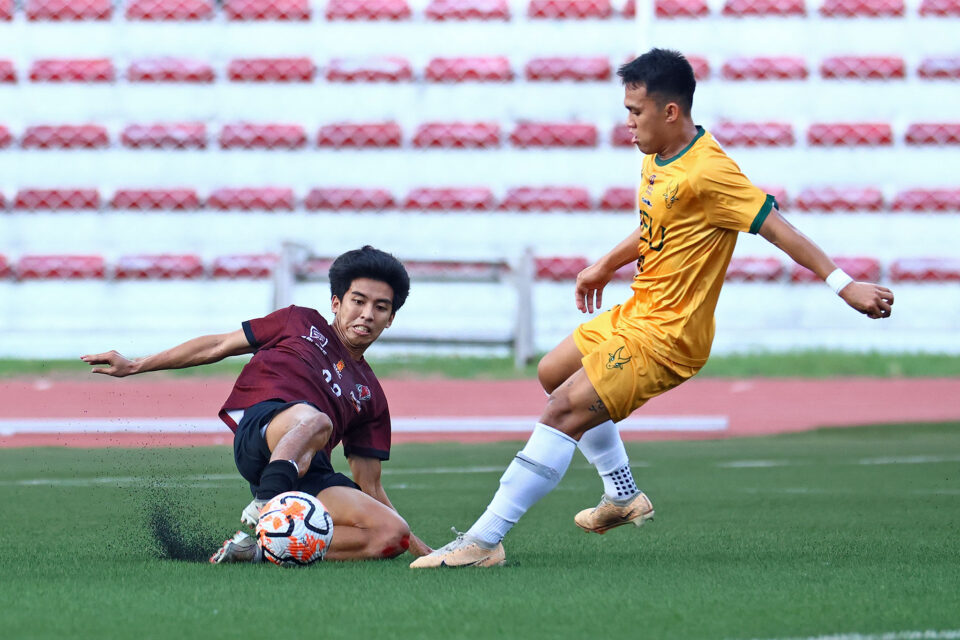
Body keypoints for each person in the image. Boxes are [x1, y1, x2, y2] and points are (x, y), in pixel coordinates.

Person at [411, 48, 894, 569]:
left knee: (563, 412)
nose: (627, 123)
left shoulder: (711, 171)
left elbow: (776, 226)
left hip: (670, 335)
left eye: (635, 111)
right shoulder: (655, 156)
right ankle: (623, 496)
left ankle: (484, 541)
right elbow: (655, 226)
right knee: (554, 373)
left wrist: (843, 284)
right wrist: (604, 265)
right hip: (640, 309)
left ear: (670, 112)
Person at [82, 245, 432, 563]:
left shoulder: (370, 395)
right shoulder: (299, 322)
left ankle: (261, 549)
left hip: (309, 470)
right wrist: (137, 365)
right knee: (317, 421)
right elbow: (217, 345)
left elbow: (370, 487)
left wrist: (426, 552)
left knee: (390, 535)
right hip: (263, 433)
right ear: (337, 303)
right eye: (358, 301)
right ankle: (267, 503)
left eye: (380, 307)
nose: (367, 314)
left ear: (390, 318)